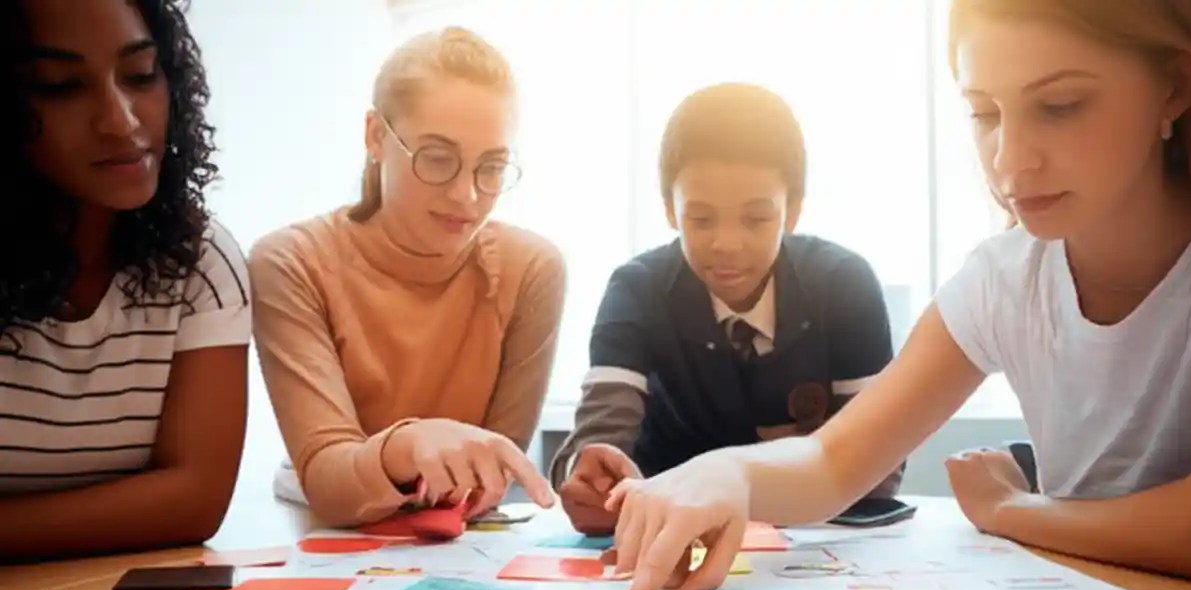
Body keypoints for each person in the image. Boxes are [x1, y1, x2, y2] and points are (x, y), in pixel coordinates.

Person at [606, 0, 1191, 590]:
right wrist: (727, 473)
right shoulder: (1004, 278)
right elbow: (833, 461)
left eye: (1060, 105)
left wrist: (1013, 510)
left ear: (1175, 87)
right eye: (984, 113)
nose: (1009, 159)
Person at [550, 83, 901, 536]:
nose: (727, 244)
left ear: (793, 212)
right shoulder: (636, 289)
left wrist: (742, 494)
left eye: (756, 219)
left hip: (810, 539)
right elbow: (599, 438)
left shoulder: (843, 284)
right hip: (669, 535)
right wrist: (591, 477)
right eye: (701, 219)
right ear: (670, 210)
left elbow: (877, 468)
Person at [249, 27, 563, 528]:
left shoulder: (531, 270)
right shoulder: (290, 263)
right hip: (324, 537)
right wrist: (408, 444)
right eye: (437, 159)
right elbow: (328, 483)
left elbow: (493, 475)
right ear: (376, 136)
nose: (466, 195)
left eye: (491, 167)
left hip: (456, 542)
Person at [0, 0, 250, 561]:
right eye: (61, 86)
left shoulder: (199, 262)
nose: (121, 120)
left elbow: (195, 501)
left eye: (140, 75)